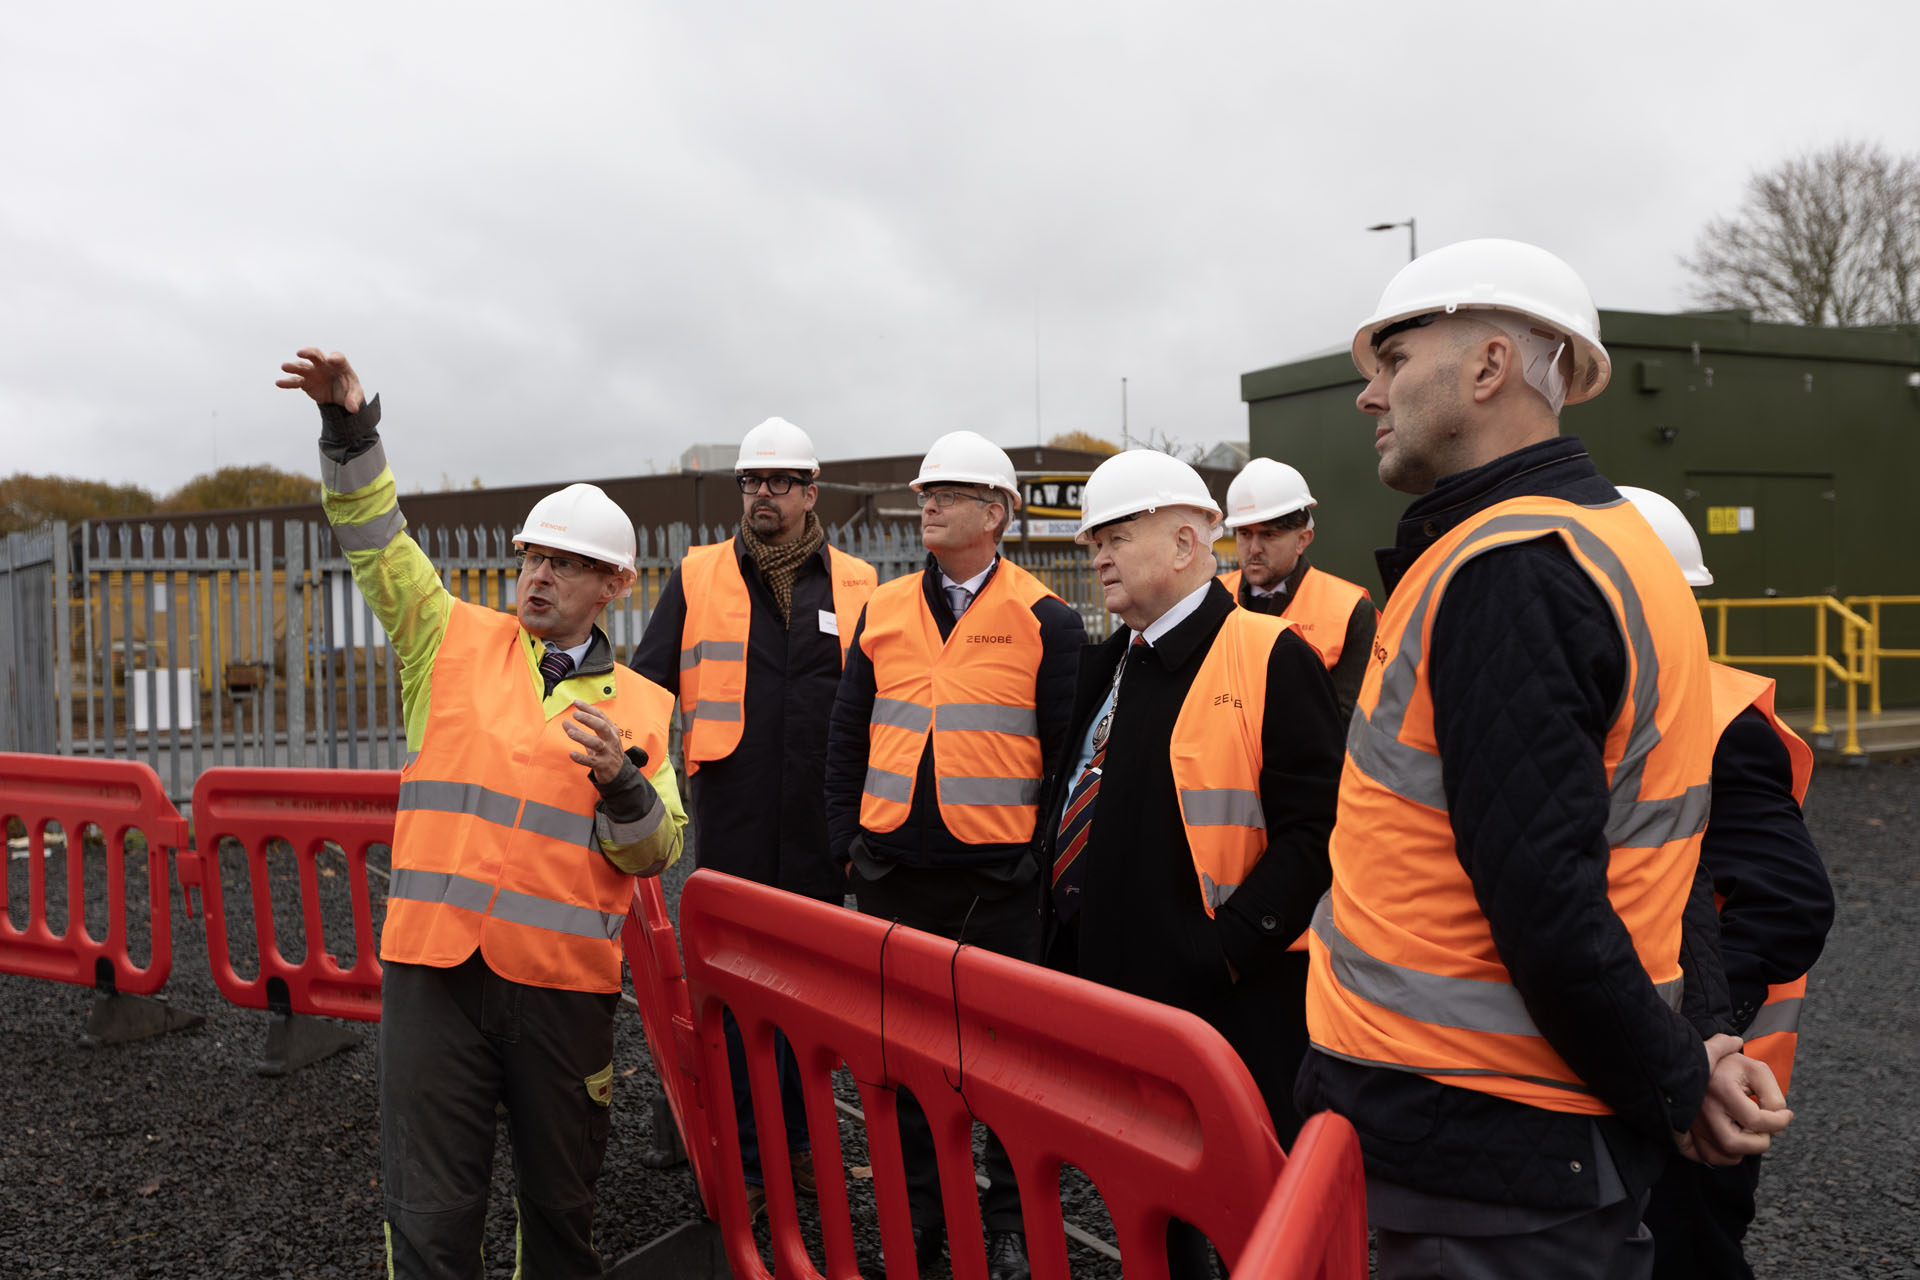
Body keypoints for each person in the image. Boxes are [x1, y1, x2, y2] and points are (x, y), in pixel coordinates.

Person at [1292, 240, 1793, 1280]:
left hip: (1474, 1142)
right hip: (1523, 1129)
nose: (1367, 392)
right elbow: (1658, 857)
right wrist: (1685, 1055)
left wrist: (1674, 1080)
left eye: (1392, 355)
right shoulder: (1606, 547)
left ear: (1486, 367)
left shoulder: (1509, 565)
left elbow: (1547, 900)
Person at [277, 348, 686, 1280]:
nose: (540, 576)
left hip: (563, 994)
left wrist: (623, 782)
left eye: (569, 565)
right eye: (534, 556)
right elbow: (377, 539)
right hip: (436, 977)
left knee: (558, 1219)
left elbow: (656, 850)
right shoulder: (447, 641)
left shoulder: (647, 709)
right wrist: (351, 430)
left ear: (614, 587)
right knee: (428, 1220)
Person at [1044, 448, 1344, 1276]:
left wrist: (1224, 949)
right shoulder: (1110, 663)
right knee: (1150, 1216)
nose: (1095, 552)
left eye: (1114, 533)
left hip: (1236, 1017)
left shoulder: (1269, 656)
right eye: (1091, 539)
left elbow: (1318, 831)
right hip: (1120, 1004)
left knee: (1258, 1227)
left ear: (1184, 543)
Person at [824, 430, 1085, 1280]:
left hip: (999, 886)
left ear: (997, 512)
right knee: (905, 1069)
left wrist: (1035, 867)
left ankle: (1009, 1226)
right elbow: (846, 740)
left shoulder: (1048, 619)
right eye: (926, 491)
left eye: (949, 491)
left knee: (1005, 1070)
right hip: (896, 879)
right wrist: (849, 852)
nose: (928, 502)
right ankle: (922, 1222)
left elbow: (1067, 758)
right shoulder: (884, 609)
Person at [630, 416, 876, 1214]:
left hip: (818, 820)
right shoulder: (698, 575)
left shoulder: (860, 585)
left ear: (810, 493)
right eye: (749, 483)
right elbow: (649, 685)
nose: (760, 495)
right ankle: (741, 1152)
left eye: (776, 483)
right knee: (733, 987)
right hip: (730, 813)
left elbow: (882, 705)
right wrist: (634, 788)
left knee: (807, 990)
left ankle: (799, 1146)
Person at [1619, 486, 1834, 1280]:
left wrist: (1689, 1038)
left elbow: (1790, 904)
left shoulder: (1713, 716)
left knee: (1687, 1255)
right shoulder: (1622, 705)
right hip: (1654, 1069)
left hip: (1705, 1079)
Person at [1218, 456, 1377, 721]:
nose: (1254, 548)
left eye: (1269, 534)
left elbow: (1347, 718)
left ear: (1303, 539)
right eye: (1244, 533)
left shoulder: (1351, 610)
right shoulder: (1213, 596)